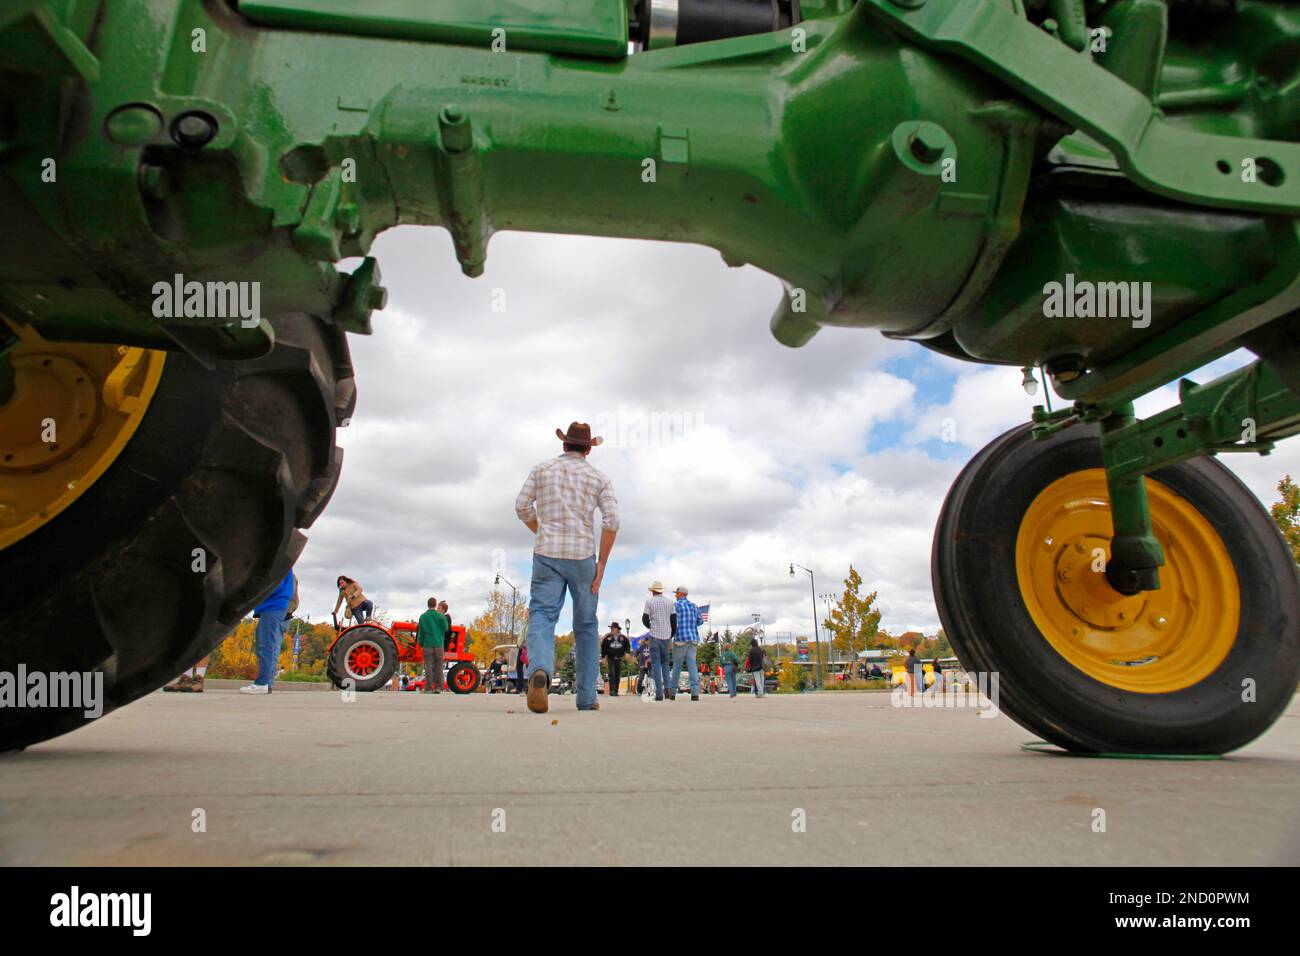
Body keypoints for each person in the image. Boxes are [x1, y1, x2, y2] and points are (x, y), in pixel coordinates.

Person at [514, 421, 619, 714]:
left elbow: (522, 506)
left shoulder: (541, 470)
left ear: (563, 445)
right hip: (582, 556)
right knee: (585, 625)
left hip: (546, 554)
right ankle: (586, 697)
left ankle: (540, 672)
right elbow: (612, 521)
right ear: (588, 449)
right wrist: (602, 564)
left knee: (542, 616)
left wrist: (541, 530)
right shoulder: (598, 477)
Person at [240, 569, 296, 695]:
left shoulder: (280, 564)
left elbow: (275, 585)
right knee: (269, 645)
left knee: (266, 645)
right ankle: (267, 683)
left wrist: (255, 590)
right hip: (275, 606)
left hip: (272, 606)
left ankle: (262, 683)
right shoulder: (286, 565)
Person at [642, 581, 676, 701]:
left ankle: (659, 693)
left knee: (656, 664)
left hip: (655, 636)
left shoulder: (649, 602)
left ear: (653, 591)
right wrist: (670, 635)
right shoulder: (670, 602)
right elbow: (673, 621)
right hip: (666, 636)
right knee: (665, 663)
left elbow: (645, 619)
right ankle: (668, 688)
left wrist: (651, 626)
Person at [670, 586, 703, 701]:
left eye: (676, 593)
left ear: (680, 594)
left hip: (679, 639)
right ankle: (694, 693)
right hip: (693, 639)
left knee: (677, 667)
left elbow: (672, 622)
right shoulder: (694, 606)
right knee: (692, 666)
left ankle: (673, 692)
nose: (675, 595)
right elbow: (700, 621)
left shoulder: (675, 606)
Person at [416, 597, 449, 693]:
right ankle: (439, 687)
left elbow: (421, 632)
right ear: (435, 605)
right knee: (439, 666)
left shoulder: (423, 617)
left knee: (428, 666)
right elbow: (446, 628)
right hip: (439, 644)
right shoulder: (441, 616)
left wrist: (421, 643)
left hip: (428, 644)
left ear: (428, 605)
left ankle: (428, 688)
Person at [601, 622, 630, 697]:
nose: (611, 629)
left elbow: (627, 646)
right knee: (611, 673)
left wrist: (627, 653)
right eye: (611, 628)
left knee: (617, 675)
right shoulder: (607, 638)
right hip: (610, 658)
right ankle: (612, 690)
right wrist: (603, 657)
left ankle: (616, 690)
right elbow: (603, 648)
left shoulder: (623, 638)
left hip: (619, 658)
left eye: (613, 628)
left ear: (617, 629)